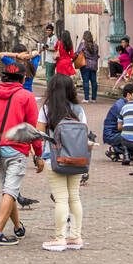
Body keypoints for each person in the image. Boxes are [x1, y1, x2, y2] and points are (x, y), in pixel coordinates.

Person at [0, 57, 44, 246]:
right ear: (23, 78)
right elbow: (32, 129)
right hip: (16, 149)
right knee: (10, 191)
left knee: (9, 191)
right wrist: (38, 154)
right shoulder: (26, 97)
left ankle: (17, 226)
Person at [36, 74, 87, 252]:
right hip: (77, 158)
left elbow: (39, 135)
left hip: (54, 157)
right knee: (75, 197)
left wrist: (39, 156)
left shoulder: (46, 109)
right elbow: (85, 136)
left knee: (61, 199)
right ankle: (75, 236)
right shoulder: (78, 110)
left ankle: (60, 238)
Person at [103, 83, 133, 156]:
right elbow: (122, 126)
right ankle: (114, 149)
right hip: (112, 135)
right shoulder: (121, 106)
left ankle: (126, 151)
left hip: (117, 133)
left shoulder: (127, 104)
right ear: (128, 95)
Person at [77, 29, 99, 101]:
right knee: (94, 82)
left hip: (85, 64)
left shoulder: (83, 44)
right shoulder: (95, 45)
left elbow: (78, 53)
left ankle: (86, 98)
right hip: (93, 65)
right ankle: (94, 98)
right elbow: (96, 56)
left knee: (85, 81)